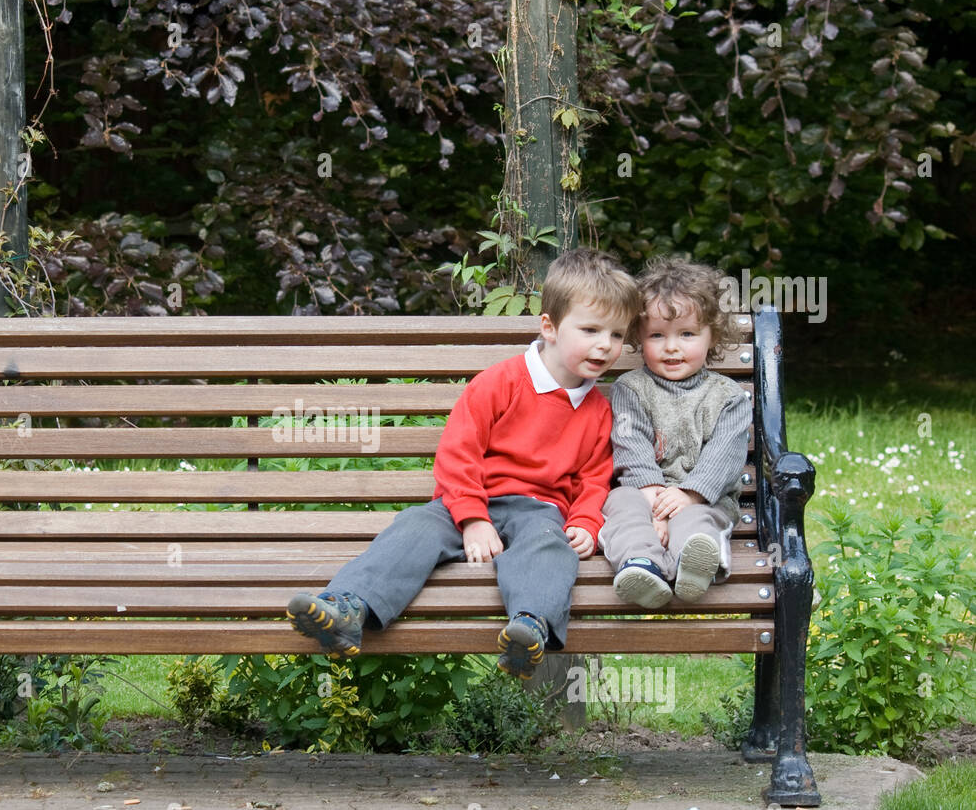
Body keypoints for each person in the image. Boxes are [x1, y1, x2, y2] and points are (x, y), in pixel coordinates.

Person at [286, 248, 641, 678]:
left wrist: (585, 521)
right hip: (467, 501)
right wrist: (473, 518)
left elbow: (595, 478)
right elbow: (459, 454)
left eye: (617, 335)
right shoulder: (500, 383)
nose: (605, 345)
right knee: (415, 526)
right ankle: (347, 609)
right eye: (590, 329)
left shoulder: (599, 410)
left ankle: (529, 628)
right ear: (548, 326)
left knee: (550, 546)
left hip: (539, 510)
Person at [599, 256, 748, 608]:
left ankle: (691, 565)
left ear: (712, 336)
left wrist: (690, 495)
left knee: (698, 521)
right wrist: (654, 503)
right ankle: (641, 564)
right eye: (657, 335)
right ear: (639, 336)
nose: (671, 347)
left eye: (687, 334)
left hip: (702, 497)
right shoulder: (630, 388)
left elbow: (724, 456)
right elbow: (630, 445)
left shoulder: (728, 397)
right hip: (644, 492)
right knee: (621, 505)